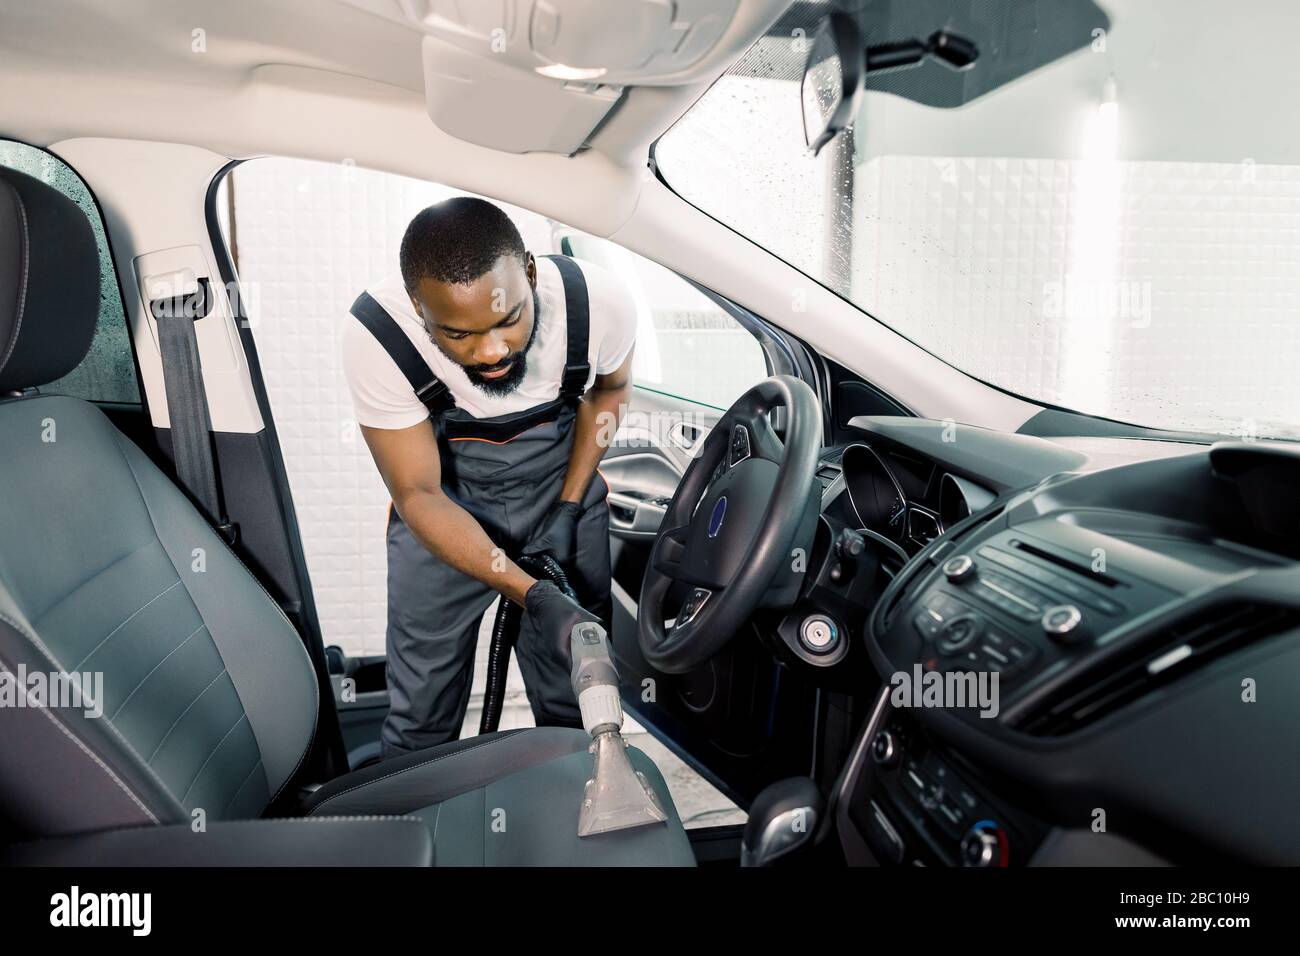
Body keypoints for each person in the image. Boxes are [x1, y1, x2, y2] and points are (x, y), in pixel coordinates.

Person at [341, 197, 636, 759]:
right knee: (421, 714)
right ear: (417, 307)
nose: (493, 350)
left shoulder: (596, 302)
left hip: (560, 495)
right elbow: (416, 492)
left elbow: (610, 390)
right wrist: (532, 594)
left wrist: (570, 508)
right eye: (459, 336)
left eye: (509, 320)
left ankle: (578, 820)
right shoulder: (378, 335)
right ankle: (413, 833)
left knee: (575, 696)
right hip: (445, 511)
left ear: (528, 271)